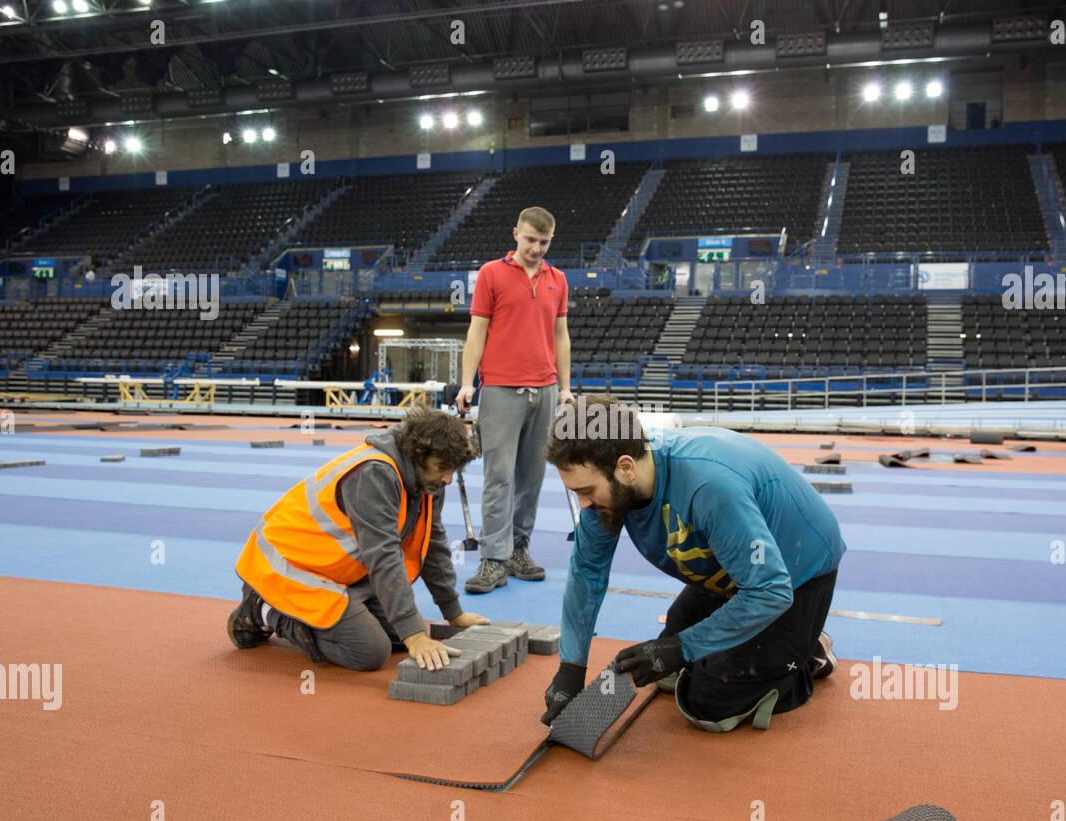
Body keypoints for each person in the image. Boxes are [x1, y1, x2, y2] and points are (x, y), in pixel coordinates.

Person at [541, 394, 847, 732]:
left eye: (586, 490)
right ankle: (771, 642)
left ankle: (806, 651)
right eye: (574, 493)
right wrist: (570, 669)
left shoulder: (708, 485)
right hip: (732, 573)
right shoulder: (605, 496)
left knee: (709, 700)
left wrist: (683, 647)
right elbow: (587, 574)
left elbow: (769, 590)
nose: (582, 504)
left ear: (625, 467)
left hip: (794, 574)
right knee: (666, 671)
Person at [227, 407, 490, 671]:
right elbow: (383, 555)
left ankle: (338, 612)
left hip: (335, 571)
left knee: (411, 631)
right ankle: (263, 609)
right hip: (290, 567)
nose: (447, 479)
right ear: (417, 455)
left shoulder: (428, 482)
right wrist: (415, 638)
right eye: (442, 468)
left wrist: (453, 613)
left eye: (453, 471)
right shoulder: (374, 473)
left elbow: (432, 543)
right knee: (369, 651)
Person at [455, 206, 575, 593]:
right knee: (499, 477)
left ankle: (518, 549)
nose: (536, 248)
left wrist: (566, 387)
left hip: (545, 390)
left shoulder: (558, 279)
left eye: (543, 242)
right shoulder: (491, 274)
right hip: (501, 389)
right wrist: (466, 383)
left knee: (532, 479)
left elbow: (561, 336)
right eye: (530, 240)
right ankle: (492, 558)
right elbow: (477, 331)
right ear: (515, 234)